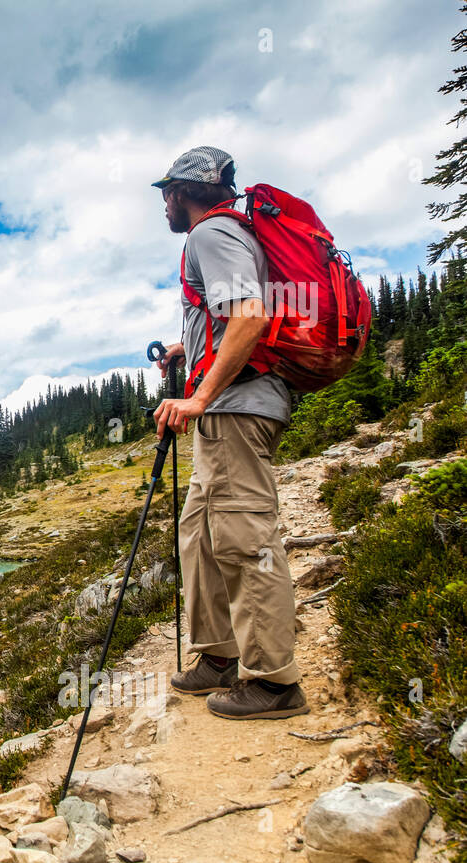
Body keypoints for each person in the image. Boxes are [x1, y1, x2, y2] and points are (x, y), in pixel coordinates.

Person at [150, 146, 308, 720]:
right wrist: (184, 349)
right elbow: (226, 320)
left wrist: (198, 396)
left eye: (166, 192)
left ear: (184, 192)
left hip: (236, 412)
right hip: (229, 410)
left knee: (245, 538)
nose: (163, 203)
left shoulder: (209, 234)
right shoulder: (226, 234)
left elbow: (248, 317)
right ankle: (217, 654)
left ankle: (272, 682)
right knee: (199, 533)